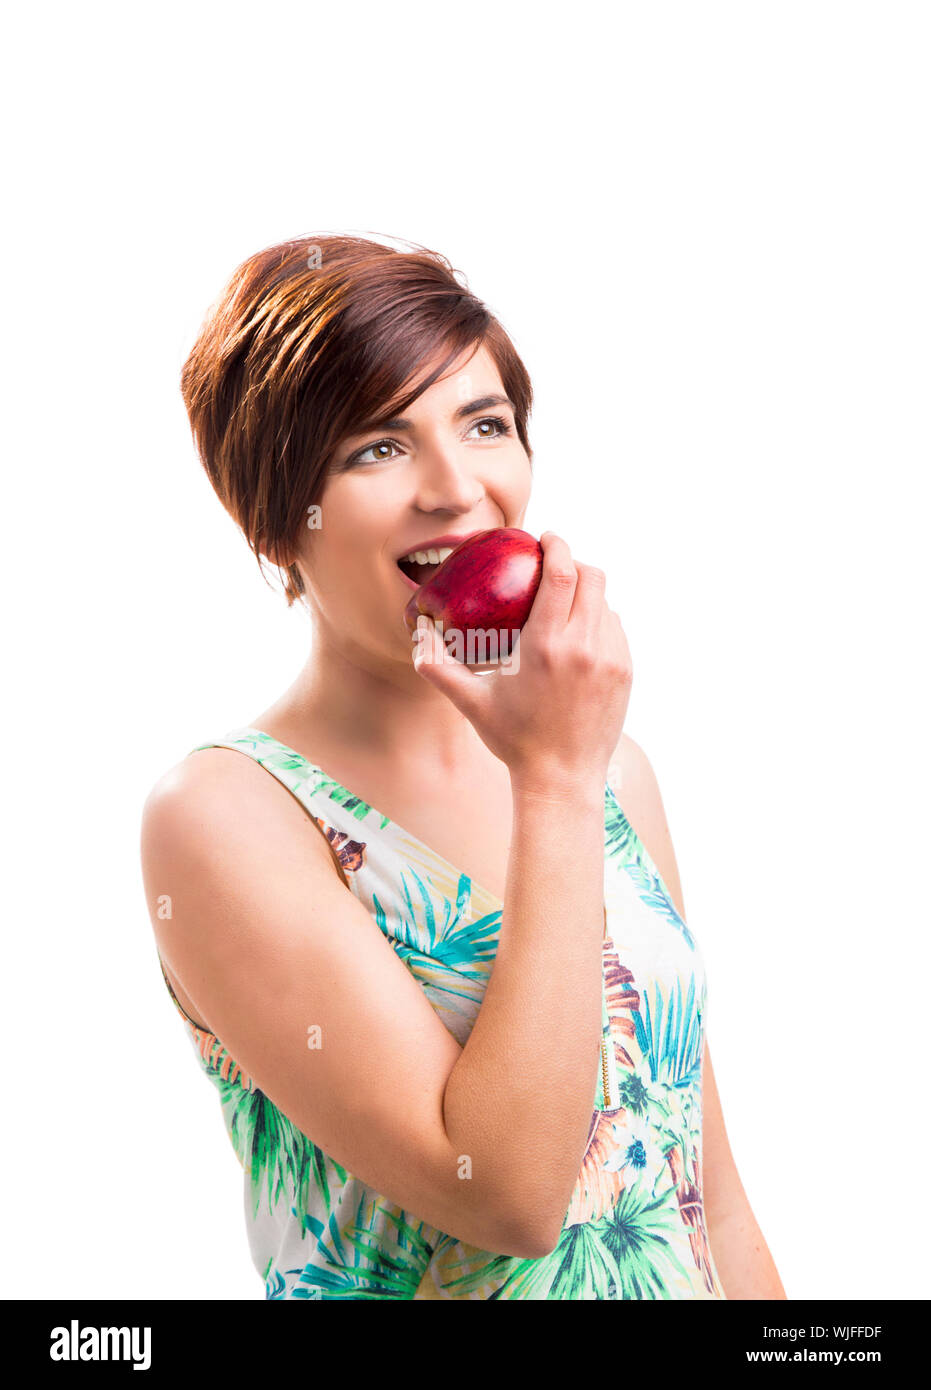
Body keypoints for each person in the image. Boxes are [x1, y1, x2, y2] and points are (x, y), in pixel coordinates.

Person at [140, 232, 785, 1300]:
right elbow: (505, 1196)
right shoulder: (223, 816)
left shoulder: (613, 773)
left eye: (485, 425)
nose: (456, 488)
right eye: (376, 448)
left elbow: (705, 1200)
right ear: (274, 517)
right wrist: (554, 782)